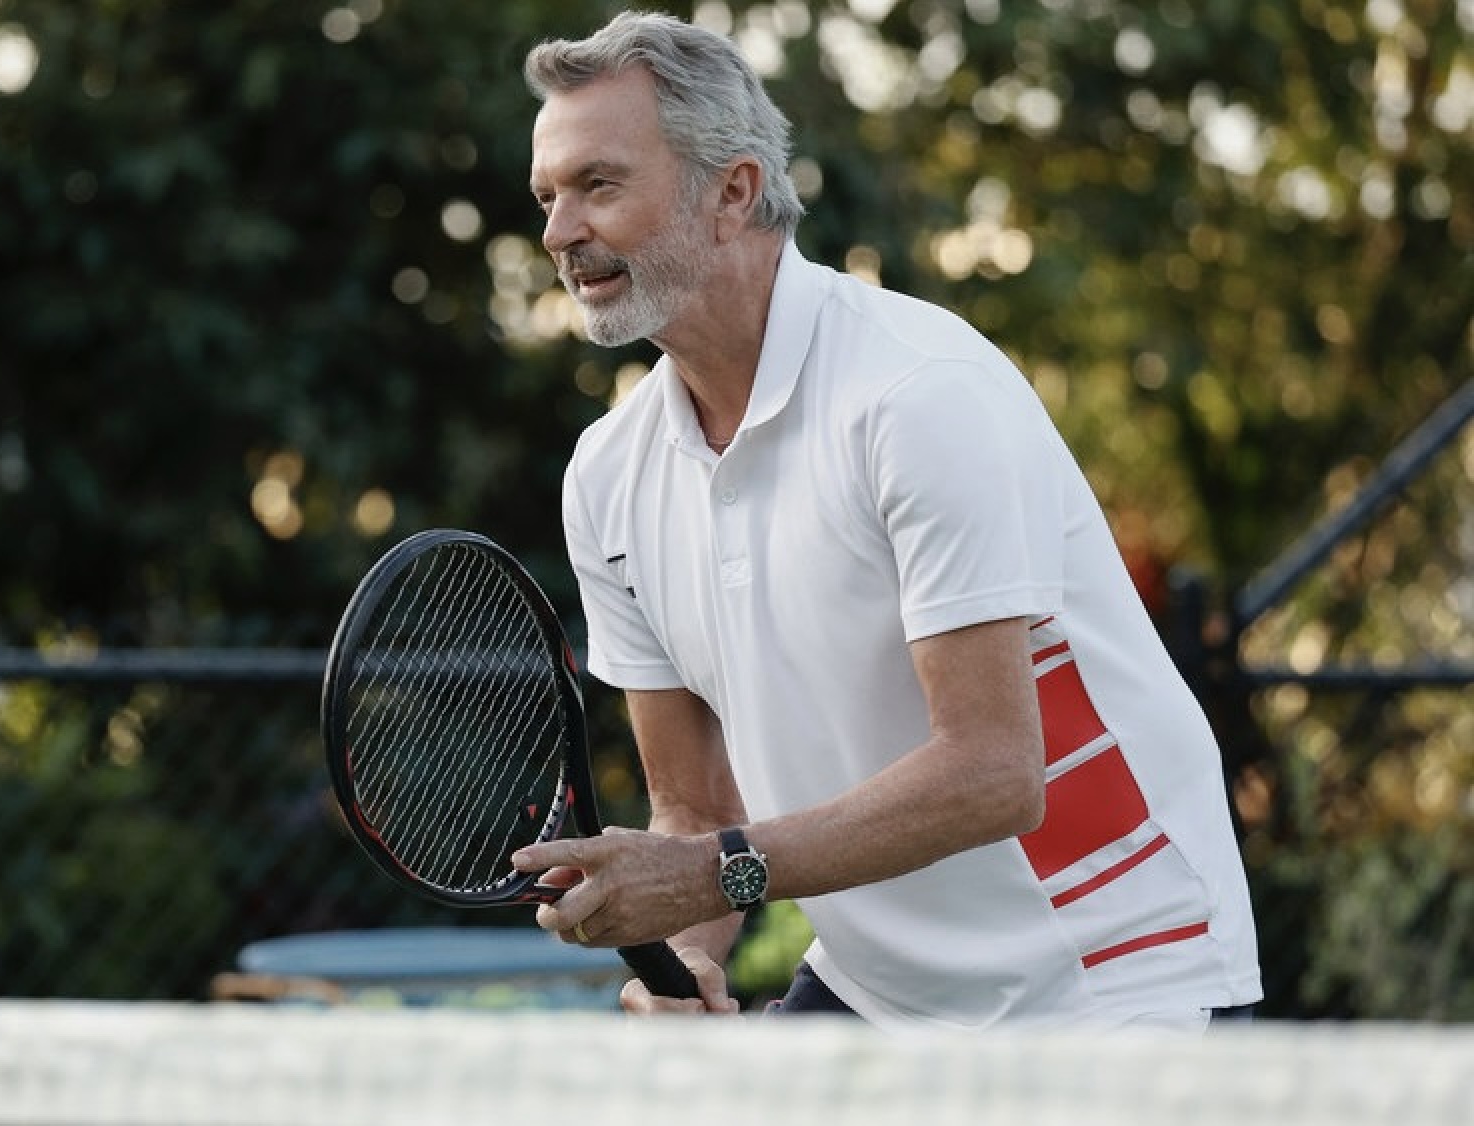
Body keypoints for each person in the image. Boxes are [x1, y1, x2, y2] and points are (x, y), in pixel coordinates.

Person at [508, 11, 1261, 1029]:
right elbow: (693, 812)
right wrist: (681, 967)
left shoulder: (916, 393)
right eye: (548, 196)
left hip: (1114, 973)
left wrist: (708, 878)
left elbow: (994, 772)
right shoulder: (604, 478)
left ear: (729, 192)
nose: (558, 232)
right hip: (879, 988)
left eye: (598, 185)